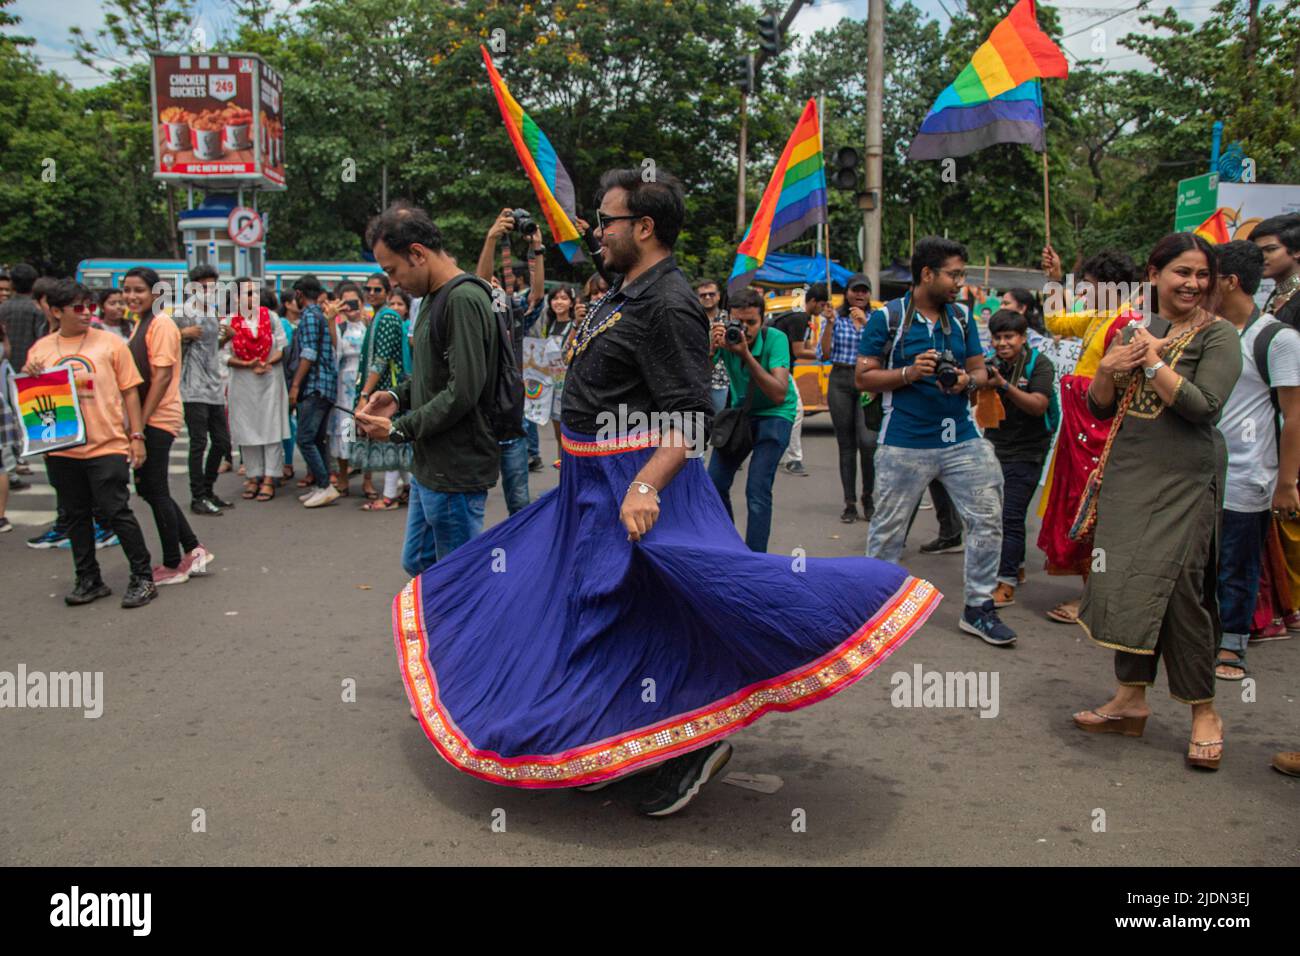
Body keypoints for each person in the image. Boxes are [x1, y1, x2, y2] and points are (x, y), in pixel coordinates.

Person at [383, 167, 940, 817]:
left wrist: (646, 485)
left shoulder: (670, 302)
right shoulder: (625, 290)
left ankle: (690, 751)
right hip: (592, 487)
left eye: (606, 220)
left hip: (636, 489)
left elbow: (691, 414)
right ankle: (610, 741)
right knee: (593, 618)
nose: (595, 231)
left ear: (643, 228)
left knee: (659, 612)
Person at [1072, 233, 1241, 771]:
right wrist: (1106, 370)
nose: (1193, 283)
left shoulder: (1220, 337)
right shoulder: (1134, 328)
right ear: (1154, 274)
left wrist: (1149, 362)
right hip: (1130, 477)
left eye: (1201, 275)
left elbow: (1202, 407)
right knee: (1128, 585)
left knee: (1180, 593)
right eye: (1181, 273)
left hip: (1184, 483)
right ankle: (1130, 699)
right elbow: (1101, 410)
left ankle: (1205, 713)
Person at [858, 236, 1017, 647]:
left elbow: (981, 371)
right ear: (927, 274)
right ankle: (877, 610)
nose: (959, 283)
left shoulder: (962, 318)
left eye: (961, 274)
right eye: (953, 274)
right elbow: (863, 378)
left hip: (963, 439)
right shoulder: (888, 318)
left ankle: (979, 607)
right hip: (904, 442)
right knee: (888, 531)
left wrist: (967, 380)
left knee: (986, 519)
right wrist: (910, 373)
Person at [355, 203, 501, 572]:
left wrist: (400, 428)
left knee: (458, 578)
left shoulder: (463, 299)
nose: (392, 283)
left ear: (417, 253)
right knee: (418, 561)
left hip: (454, 469)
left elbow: (463, 390)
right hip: (429, 464)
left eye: (392, 270)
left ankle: (463, 630)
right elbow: (430, 374)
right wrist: (394, 396)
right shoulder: (434, 299)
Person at [21, 280, 157, 607]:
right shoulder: (40, 350)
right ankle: (88, 578)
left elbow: (130, 392)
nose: (86, 314)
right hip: (60, 447)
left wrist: (136, 436)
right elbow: (31, 394)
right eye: (78, 308)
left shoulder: (111, 344)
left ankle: (142, 576)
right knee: (76, 514)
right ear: (56, 311)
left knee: (116, 510)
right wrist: (30, 374)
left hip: (106, 443)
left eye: (90, 307)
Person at [1036, 247, 1140, 624]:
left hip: (1101, 438)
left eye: (1091, 287)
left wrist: (1072, 384)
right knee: (1081, 509)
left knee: (1094, 513)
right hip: (1081, 432)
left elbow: (1116, 386)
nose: (1085, 293)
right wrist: (1053, 279)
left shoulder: (1126, 325)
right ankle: (1090, 590)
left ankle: (1096, 599)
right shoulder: (1098, 317)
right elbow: (1057, 323)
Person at [1212, 242, 1300, 683]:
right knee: (1202, 562)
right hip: (1199, 476)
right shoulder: (1207, 331)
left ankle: (1233, 644)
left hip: (1248, 476)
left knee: (1238, 564)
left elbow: (1294, 415)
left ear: (1229, 282)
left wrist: (1286, 483)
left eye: (1207, 276)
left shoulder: (1276, 338)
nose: (1197, 285)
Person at [122, 267, 211, 585]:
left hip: (157, 417)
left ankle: (175, 562)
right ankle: (193, 548)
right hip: (149, 417)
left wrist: (138, 426)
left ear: (156, 294)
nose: (132, 296)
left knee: (154, 488)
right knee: (149, 487)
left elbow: (160, 377)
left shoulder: (160, 324)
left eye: (139, 290)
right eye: (127, 290)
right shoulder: (142, 324)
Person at [707, 286, 797, 552]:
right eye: (738, 322)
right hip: (742, 415)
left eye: (751, 323)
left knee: (757, 491)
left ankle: (757, 558)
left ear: (763, 319)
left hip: (776, 414)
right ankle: (733, 547)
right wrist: (710, 350)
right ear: (728, 319)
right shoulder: (724, 339)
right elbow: (698, 379)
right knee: (714, 483)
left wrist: (745, 354)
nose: (744, 329)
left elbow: (779, 393)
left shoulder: (775, 339)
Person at [980, 309, 1055, 608]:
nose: (1002, 343)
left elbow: (1038, 405)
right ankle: (1017, 565)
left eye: (1008, 337)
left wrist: (1004, 386)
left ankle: (1006, 581)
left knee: (1009, 515)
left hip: (1029, 450)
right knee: (998, 514)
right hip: (995, 446)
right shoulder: (990, 364)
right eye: (997, 337)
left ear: (1023, 338)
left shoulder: (1039, 364)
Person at [817, 273, 877, 523]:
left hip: (867, 380)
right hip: (841, 378)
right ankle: (849, 503)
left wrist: (864, 326)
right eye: (856, 290)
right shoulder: (835, 318)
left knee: (868, 442)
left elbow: (878, 350)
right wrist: (829, 323)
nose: (860, 295)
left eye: (864, 291)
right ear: (847, 293)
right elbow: (825, 353)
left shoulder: (875, 320)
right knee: (846, 445)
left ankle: (868, 497)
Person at [175, 264, 234, 516]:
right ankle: (197, 496)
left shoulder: (212, 311)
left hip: (213, 386)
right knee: (198, 443)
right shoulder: (183, 312)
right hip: (192, 386)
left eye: (212, 286)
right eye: (204, 286)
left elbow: (210, 348)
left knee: (222, 442)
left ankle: (208, 490)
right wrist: (181, 333)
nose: (209, 290)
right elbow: (163, 343)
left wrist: (226, 337)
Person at [225, 278, 290, 503]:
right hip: (243, 382)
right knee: (247, 430)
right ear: (236, 298)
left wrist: (266, 362)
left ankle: (270, 478)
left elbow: (282, 346)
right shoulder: (229, 323)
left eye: (254, 293)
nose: (251, 298)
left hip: (270, 378)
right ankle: (253, 476)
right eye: (246, 294)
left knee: (271, 430)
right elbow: (222, 355)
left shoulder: (270, 318)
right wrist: (248, 364)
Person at [350, 282, 412, 512]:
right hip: (388, 390)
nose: (372, 292)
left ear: (385, 293)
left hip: (386, 392)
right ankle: (407, 487)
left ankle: (388, 497)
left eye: (378, 289)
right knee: (397, 441)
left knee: (390, 442)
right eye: (368, 288)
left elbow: (381, 361)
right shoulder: (377, 318)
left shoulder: (385, 318)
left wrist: (365, 394)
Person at [287, 275, 340, 508]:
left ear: (299, 294)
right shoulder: (319, 315)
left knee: (305, 438)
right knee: (317, 439)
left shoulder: (309, 315)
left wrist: (296, 385)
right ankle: (321, 486)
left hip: (315, 386)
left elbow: (308, 353)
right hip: (327, 386)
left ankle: (325, 484)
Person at [771, 282, 820, 477]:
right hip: (779, 369)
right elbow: (798, 350)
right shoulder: (799, 318)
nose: (824, 309)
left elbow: (806, 345)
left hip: (778, 368)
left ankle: (784, 455)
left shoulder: (803, 319)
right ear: (814, 302)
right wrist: (822, 355)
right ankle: (793, 459)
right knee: (796, 411)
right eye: (823, 304)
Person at [328, 282, 369, 497]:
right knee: (345, 430)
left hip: (365, 384)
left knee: (366, 431)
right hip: (344, 386)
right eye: (346, 302)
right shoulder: (339, 327)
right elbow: (336, 352)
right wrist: (333, 320)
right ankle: (343, 477)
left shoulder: (369, 326)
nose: (351, 307)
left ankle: (368, 480)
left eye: (355, 302)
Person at [1253, 214, 1300, 330]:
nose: (1262, 257)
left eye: (1270, 249)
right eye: (1258, 251)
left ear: (1297, 251)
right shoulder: (1278, 294)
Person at [697, 279, 731, 414]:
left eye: (711, 294)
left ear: (718, 296)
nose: (707, 297)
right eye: (703, 295)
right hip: (698, 381)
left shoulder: (729, 319)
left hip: (723, 380)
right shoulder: (693, 318)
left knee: (721, 424)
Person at [277, 289, 300, 482]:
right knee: (287, 423)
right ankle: (286, 462)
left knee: (344, 427)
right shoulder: (282, 325)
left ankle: (346, 463)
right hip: (290, 380)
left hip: (348, 387)